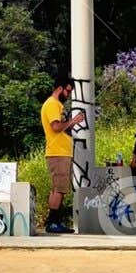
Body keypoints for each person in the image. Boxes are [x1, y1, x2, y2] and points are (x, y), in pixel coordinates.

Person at [41, 76, 84, 234]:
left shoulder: (56, 104)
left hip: (61, 152)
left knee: (57, 189)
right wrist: (73, 121)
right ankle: (53, 222)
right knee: (60, 189)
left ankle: (53, 221)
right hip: (58, 153)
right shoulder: (52, 104)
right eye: (67, 90)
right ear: (60, 88)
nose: (68, 94)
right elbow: (56, 127)